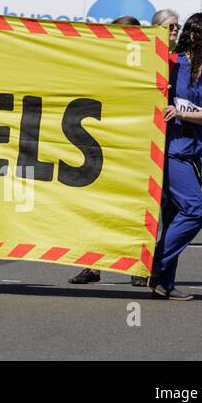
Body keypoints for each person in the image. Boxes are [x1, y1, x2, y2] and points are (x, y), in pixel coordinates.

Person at [149, 12, 202, 301]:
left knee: (173, 219)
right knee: (195, 212)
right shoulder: (170, 64)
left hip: (192, 154)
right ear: (194, 35)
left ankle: (163, 284)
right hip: (169, 152)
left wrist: (181, 113)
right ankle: (155, 265)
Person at [69, 16, 142, 285]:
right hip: (99, 146)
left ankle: (137, 266)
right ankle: (93, 265)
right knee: (97, 208)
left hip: (133, 148)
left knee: (132, 209)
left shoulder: (145, 64)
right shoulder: (101, 61)